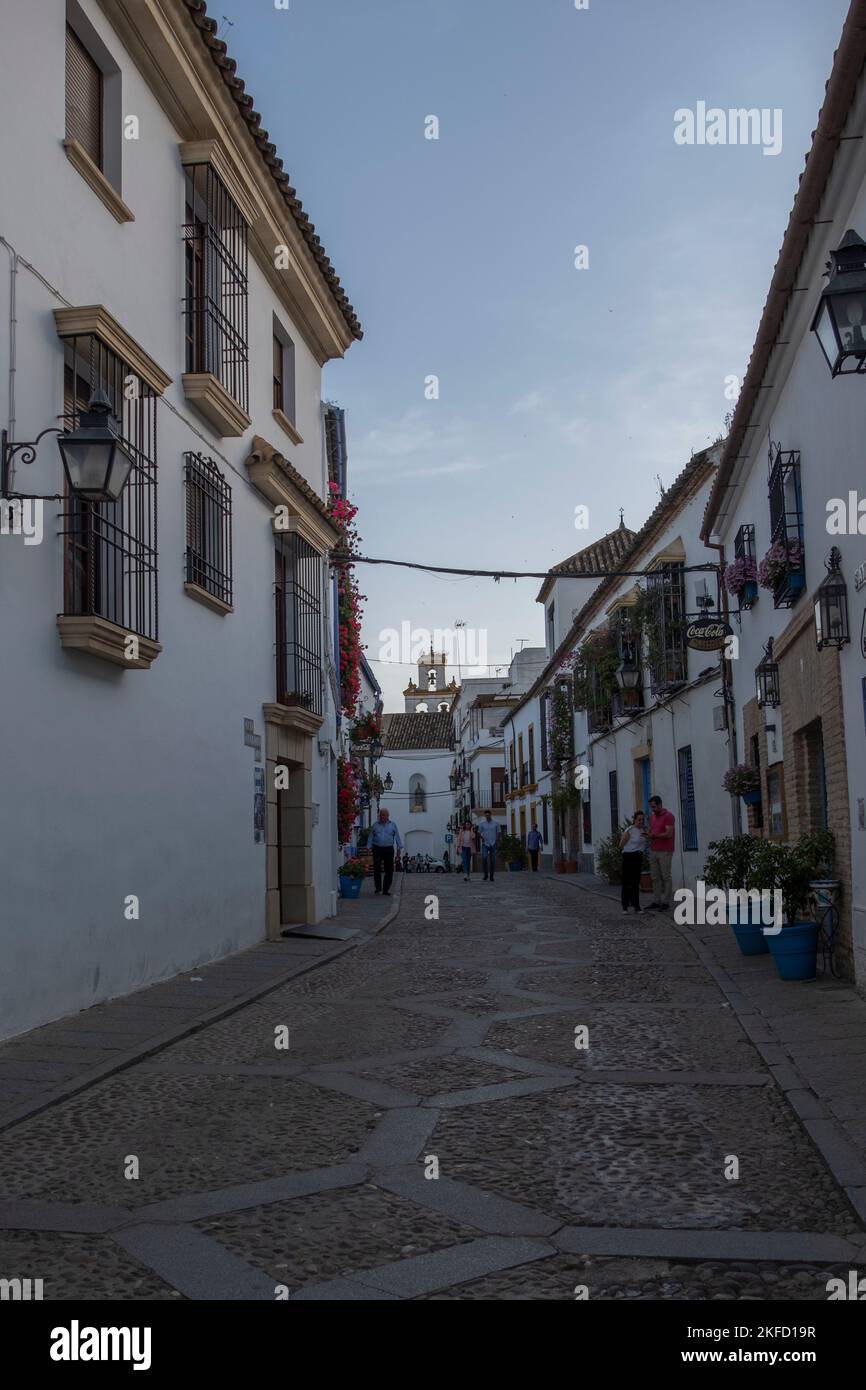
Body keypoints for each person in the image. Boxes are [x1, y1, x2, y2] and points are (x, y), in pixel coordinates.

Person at [647, 795, 675, 910]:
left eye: (654, 807)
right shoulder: (652, 817)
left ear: (660, 804)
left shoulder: (668, 816)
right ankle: (656, 900)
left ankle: (666, 902)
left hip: (665, 850)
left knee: (666, 876)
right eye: (651, 807)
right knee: (654, 877)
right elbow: (651, 830)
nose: (652, 809)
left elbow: (669, 833)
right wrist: (647, 834)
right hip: (654, 849)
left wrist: (655, 836)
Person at [369, 808, 402, 896]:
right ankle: (378, 887)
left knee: (389, 869)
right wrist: (368, 847)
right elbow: (371, 837)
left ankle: (386, 889)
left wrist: (399, 848)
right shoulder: (375, 825)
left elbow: (397, 837)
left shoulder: (393, 825)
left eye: (384, 815)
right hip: (377, 848)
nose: (382, 817)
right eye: (381, 815)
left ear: (388, 816)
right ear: (379, 816)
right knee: (377, 867)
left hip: (388, 849)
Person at [619, 811, 647, 913]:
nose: (641, 821)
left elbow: (643, 844)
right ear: (634, 820)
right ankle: (625, 906)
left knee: (636, 882)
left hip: (638, 857)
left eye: (642, 820)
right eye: (639, 819)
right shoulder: (629, 830)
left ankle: (636, 906)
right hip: (628, 857)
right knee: (627, 882)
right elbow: (621, 845)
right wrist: (630, 849)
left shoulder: (643, 830)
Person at [478, 810, 499, 882]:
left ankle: (491, 876)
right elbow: (479, 833)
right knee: (484, 858)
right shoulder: (482, 824)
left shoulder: (496, 823)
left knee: (493, 860)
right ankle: (485, 874)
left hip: (493, 843)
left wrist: (497, 840)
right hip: (485, 844)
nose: (487, 816)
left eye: (488, 815)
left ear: (490, 815)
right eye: (486, 815)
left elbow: (498, 832)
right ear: (484, 816)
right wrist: (482, 838)